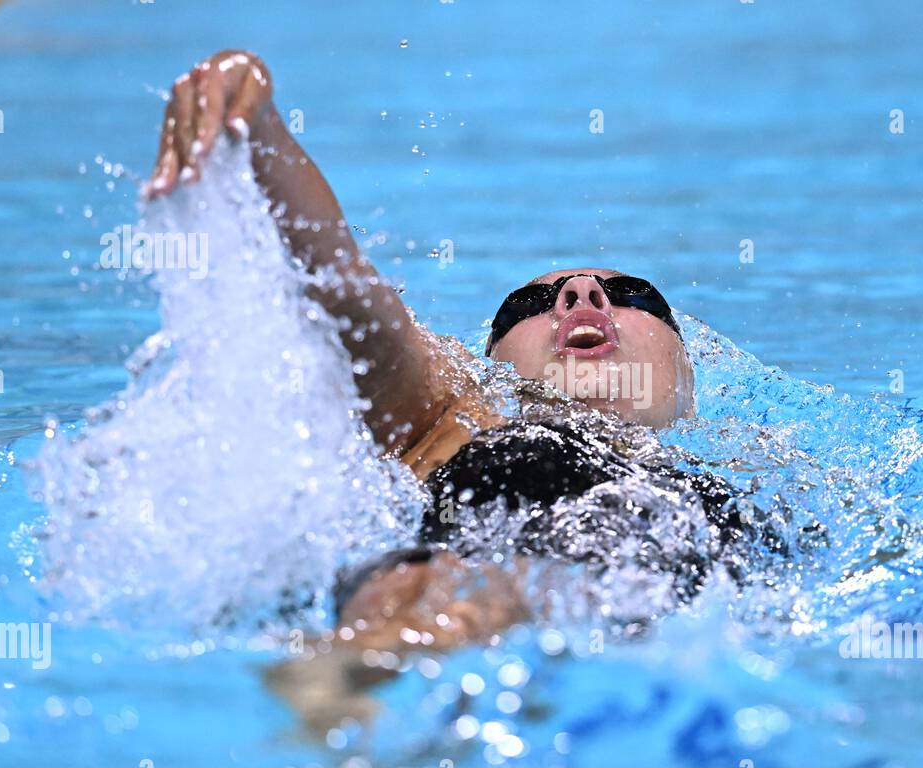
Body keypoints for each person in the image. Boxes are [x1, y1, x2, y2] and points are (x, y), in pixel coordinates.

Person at [146, 49, 790, 663]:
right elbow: (342, 282)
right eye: (528, 306)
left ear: (687, 373)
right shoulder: (454, 421)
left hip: (671, 630)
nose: (580, 295)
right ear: (492, 368)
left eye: (631, 295)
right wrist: (261, 131)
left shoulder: (772, 485)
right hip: (456, 602)